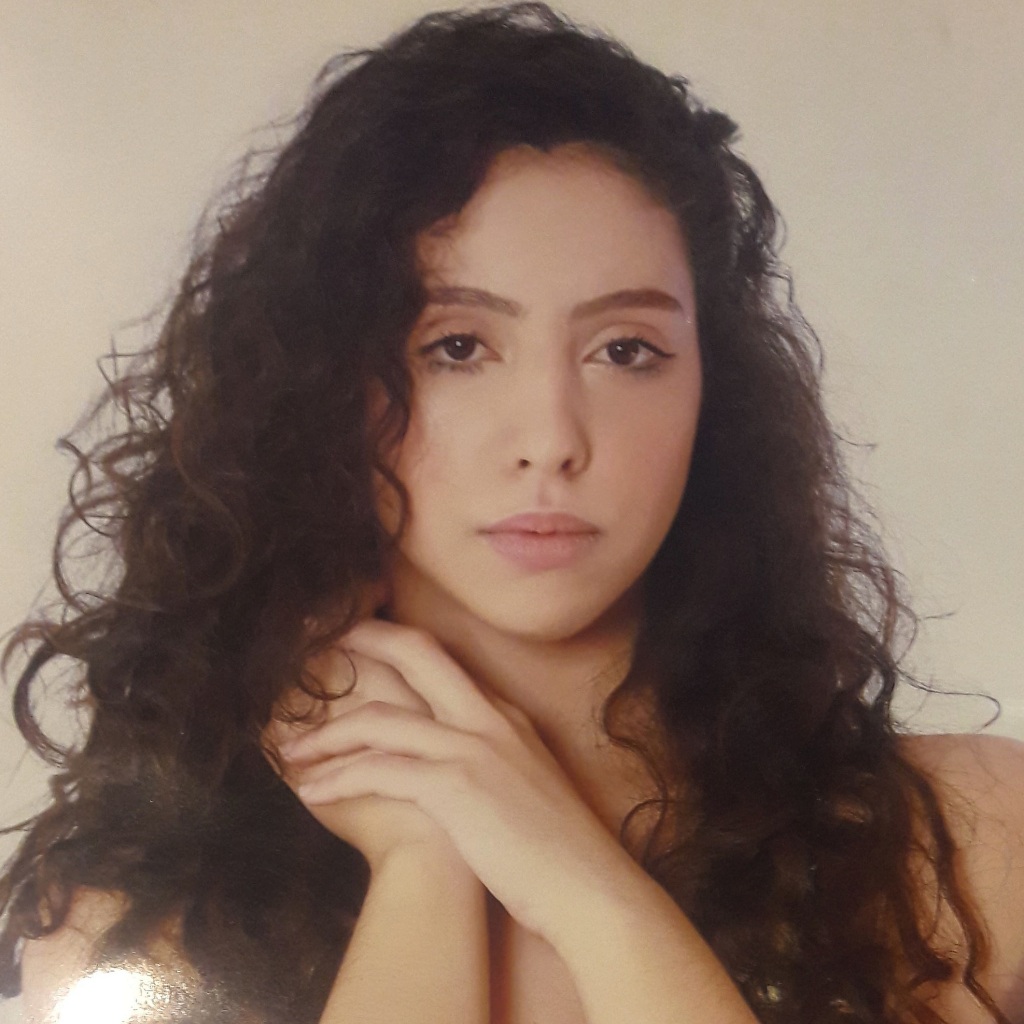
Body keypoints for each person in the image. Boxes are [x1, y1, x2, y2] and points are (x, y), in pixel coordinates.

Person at [1, 4, 1022, 1022]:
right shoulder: (135, 933)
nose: (551, 438)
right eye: (457, 347)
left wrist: (574, 876)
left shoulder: (965, 846)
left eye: (625, 350)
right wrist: (422, 862)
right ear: (319, 385)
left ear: (714, 391)